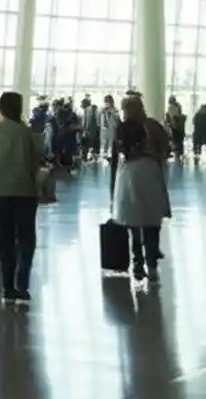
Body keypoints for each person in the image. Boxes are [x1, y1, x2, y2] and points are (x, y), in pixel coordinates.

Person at [0, 92, 42, 304]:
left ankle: (7, 286)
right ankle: (23, 283)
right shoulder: (27, 132)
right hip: (26, 192)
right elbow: (36, 162)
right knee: (26, 238)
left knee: (5, 239)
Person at [113, 96, 171, 284]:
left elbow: (116, 155)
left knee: (133, 222)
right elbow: (166, 147)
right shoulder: (152, 126)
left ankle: (137, 263)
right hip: (151, 172)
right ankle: (152, 265)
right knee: (151, 221)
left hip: (128, 174)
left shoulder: (122, 128)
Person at [100, 95, 121, 194]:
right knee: (105, 144)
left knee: (112, 146)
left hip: (113, 132)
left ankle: (111, 157)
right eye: (106, 101)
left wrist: (110, 114)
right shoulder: (103, 111)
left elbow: (116, 122)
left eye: (108, 101)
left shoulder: (115, 111)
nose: (107, 103)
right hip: (106, 131)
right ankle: (107, 156)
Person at [80, 96, 100, 160]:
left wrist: (84, 131)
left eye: (82, 104)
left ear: (85, 104)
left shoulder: (87, 110)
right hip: (94, 133)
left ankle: (85, 161)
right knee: (93, 150)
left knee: (85, 149)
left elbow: (85, 124)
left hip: (89, 133)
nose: (81, 105)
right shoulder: (94, 109)